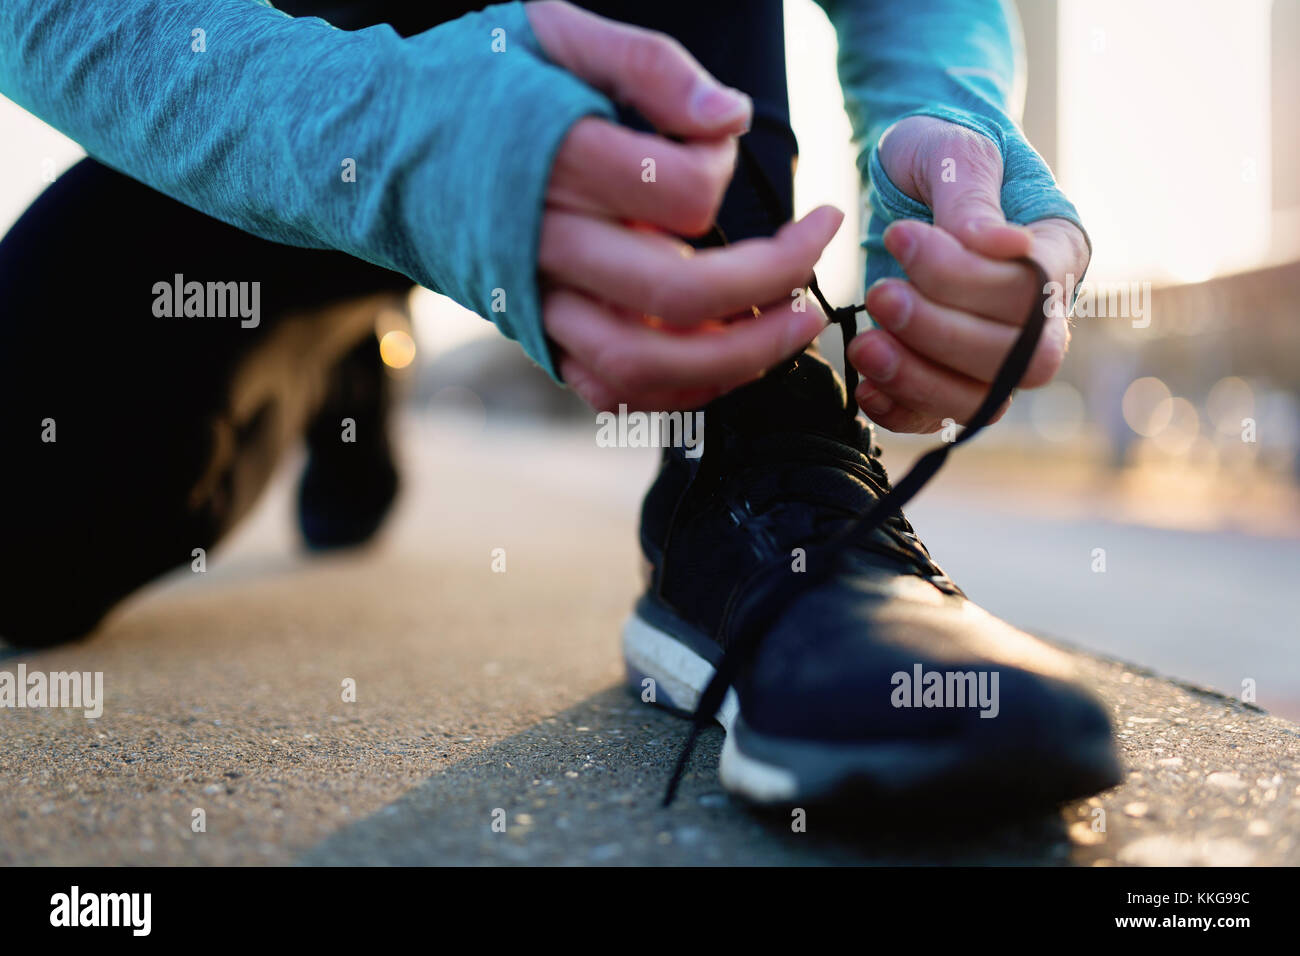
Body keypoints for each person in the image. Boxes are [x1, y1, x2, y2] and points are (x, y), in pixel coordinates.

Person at [0, 0, 1118, 810]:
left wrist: (954, 125)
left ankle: (750, 447)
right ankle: (355, 336)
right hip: (266, 82)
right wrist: (386, 139)